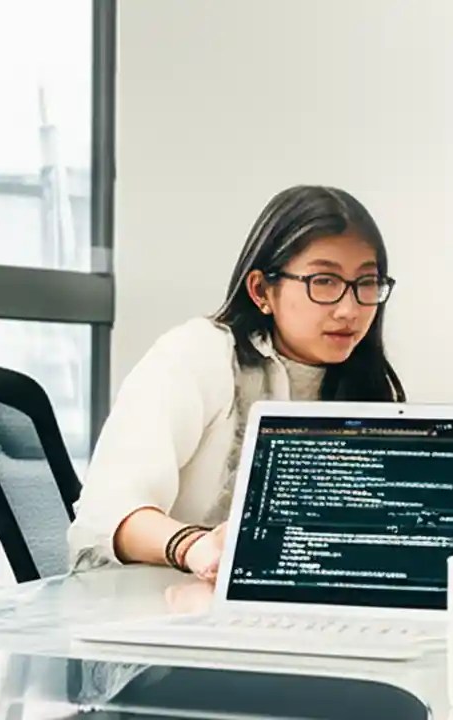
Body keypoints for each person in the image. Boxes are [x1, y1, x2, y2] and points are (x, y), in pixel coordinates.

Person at [67, 185, 405, 581]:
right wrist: (194, 546)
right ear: (262, 290)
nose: (349, 309)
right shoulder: (198, 354)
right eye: (324, 282)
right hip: (162, 608)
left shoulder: (369, 388)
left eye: (366, 283)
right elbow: (106, 514)